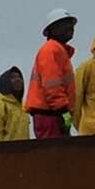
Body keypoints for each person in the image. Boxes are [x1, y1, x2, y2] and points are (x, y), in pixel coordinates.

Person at [24, 9, 78, 139]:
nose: (70, 27)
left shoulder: (58, 51)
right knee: (53, 155)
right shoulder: (51, 50)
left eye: (71, 24)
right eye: (65, 24)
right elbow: (52, 85)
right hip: (51, 115)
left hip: (54, 114)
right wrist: (63, 111)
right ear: (52, 29)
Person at [0, 66, 30, 142]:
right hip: (6, 153)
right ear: (5, 82)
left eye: (19, 77)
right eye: (13, 77)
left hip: (23, 152)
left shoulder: (22, 107)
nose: (18, 80)